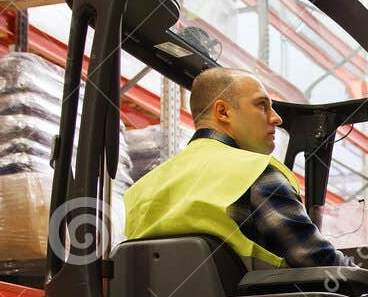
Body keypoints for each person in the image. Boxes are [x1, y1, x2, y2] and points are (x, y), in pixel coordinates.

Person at [122, 67, 354, 269]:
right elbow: (316, 259)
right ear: (223, 112)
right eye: (262, 105)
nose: (276, 118)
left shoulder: (139, 191)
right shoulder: (257, 172)